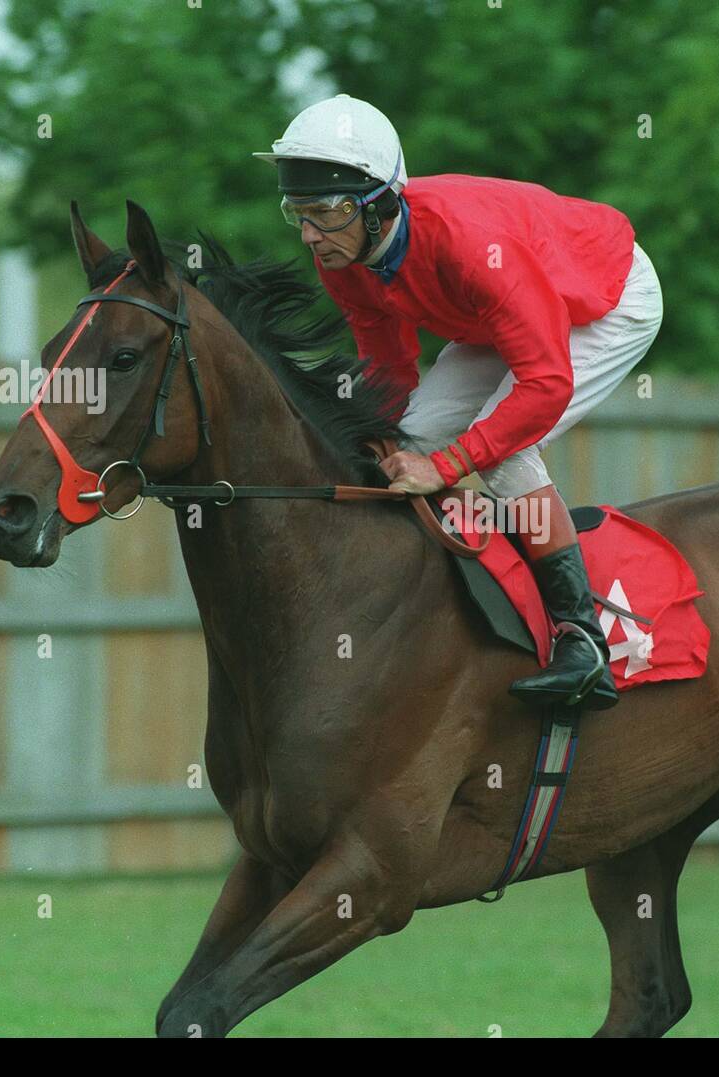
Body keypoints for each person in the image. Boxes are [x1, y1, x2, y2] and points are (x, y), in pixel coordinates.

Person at [253, 95, 663, 710]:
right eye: (297, 213)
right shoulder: (344, 256)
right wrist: (385, 442)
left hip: (607, 298)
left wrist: (446, 468)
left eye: (323, 212)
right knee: (410, 436)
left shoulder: (470, 244)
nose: (310, 234)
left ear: (379, 204)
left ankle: (583, 642)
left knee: (500, 454)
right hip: (509, 316)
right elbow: (389, 365)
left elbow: (544, 384)